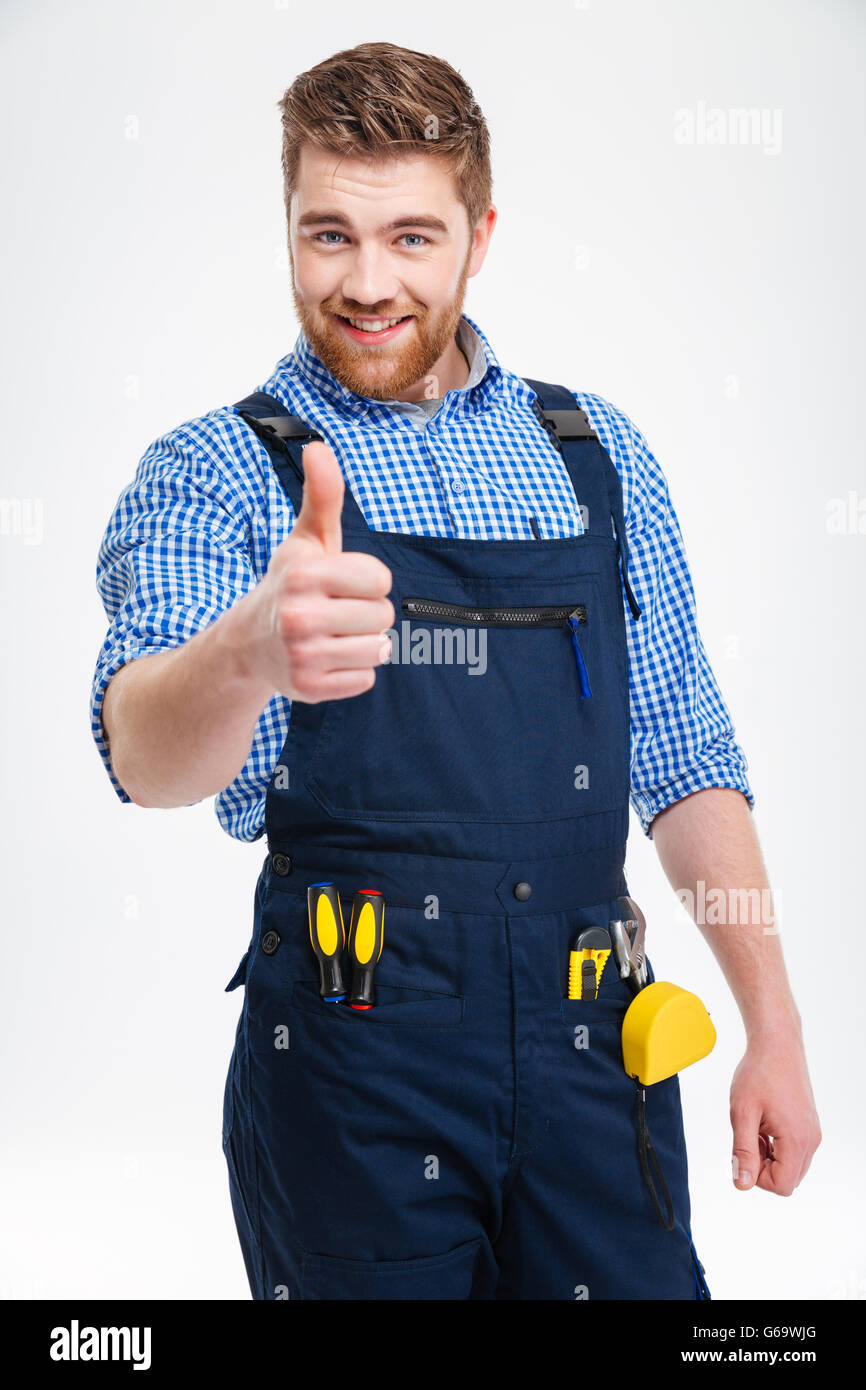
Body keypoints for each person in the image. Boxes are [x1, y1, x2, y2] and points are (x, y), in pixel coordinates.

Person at [91, 41, 820, 1301]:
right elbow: (142, 753)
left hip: (597, 1056)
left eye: (410, 239)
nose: (367, 284)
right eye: (329, 237)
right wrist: (248, 652)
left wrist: (776, 1025)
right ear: (287, 229)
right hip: (353, 1071)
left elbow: (688, 753)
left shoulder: (596, 455)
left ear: (478, 235)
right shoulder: (214, 471)